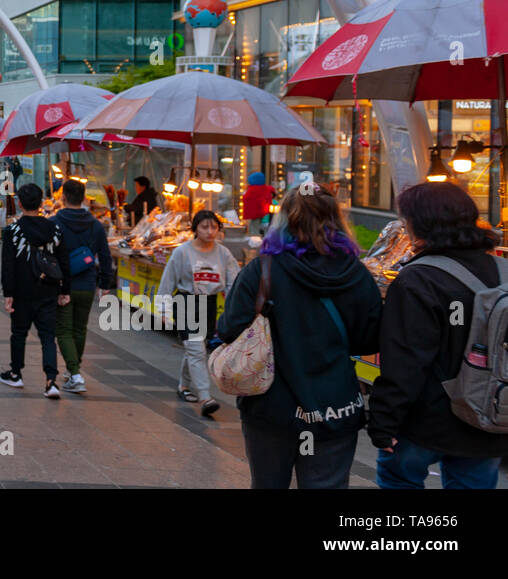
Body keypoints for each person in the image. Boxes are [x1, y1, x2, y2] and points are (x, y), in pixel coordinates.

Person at [215, 184, 382, 489]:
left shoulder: (262, 270)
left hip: (271, 407)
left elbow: (228, 329)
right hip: (335, 407)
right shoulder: (358, 275)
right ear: (336, 219)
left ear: (285, 220)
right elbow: (370, 341)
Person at [368, 182, 508, 489]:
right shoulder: (503, 271)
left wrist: (384, 421)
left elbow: (405, 362)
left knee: (398, 480)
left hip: (424, 421)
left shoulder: (418, 278)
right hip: (487, 416)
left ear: (421, 223)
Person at [160, 209, 240, 417]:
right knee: (196, 349)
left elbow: (234, 281)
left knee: (197, 347)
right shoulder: (182, 252)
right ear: (195, 228)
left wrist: (235, 306)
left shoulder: (223, 253)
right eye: (205, 227)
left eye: (214, 227)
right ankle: (205, 397)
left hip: (209, 304)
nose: (210, 231)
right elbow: (167, 281)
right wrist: (163, 308)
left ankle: (183, 386)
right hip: (186, 301)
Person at [0, 183, 68, 399]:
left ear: (19, 203)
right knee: (48, 336)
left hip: (21, 291)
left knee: (19, 333)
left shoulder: (13, 231)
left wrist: (8, 293)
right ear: (41, 203)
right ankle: (51, 381)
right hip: (48, 290)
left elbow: (7, 264)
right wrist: (65, 290)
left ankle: (16, 373)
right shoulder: (55, 230)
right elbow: (63, 261)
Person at [53, 179, 116, 393]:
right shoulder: (95, 224)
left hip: (63, 283)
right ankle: (73, 371)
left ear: (63, 197)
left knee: (63, 329)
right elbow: (105, 256)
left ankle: (76, 374)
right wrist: (105, 283)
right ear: (84, 199)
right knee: (79, 328)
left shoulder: (55, 222)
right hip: (87, 284)